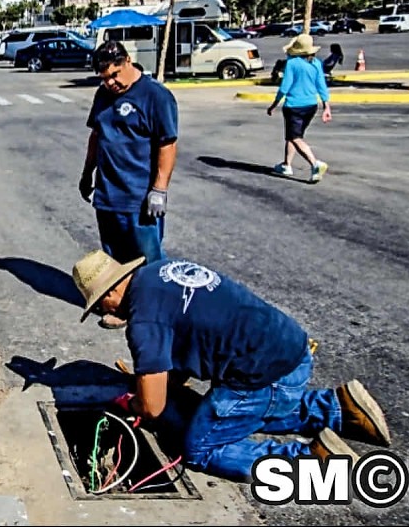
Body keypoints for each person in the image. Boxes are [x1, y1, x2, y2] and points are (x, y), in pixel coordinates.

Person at [71, 249, 392, 482]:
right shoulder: (161, 271)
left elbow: (152, 408)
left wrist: (133, 402)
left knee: (200, 448)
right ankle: (339, 410)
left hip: (266, 378)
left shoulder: (144, 321)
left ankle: (311, 462)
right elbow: (184, 345)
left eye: (100, 305)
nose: (105, 313)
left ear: (112, 291)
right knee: (229, 415)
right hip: (290, 349)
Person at [79, 40, 178, 329]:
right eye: (104, 78)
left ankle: (159, 314)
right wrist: (87, 173)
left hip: (140, 198)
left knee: (149, 261)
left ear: (128, 61)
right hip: (108, 194)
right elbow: (97, 136)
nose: (111, 83)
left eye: (115, 74)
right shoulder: (103, 95)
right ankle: (123, 308)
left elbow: (167, 144)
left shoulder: (155, 95)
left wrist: (159, 189)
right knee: (115, 261)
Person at [267, 34, 331, 183]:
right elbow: (321, 85)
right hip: (311, 106)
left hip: (294, 106)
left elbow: (285, 87)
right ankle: (286, 165)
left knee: (295, 137)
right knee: (294, 136)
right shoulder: (316, 63)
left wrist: (274, 104)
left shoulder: (292, 64)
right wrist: (326, 106)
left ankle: (315, 164)